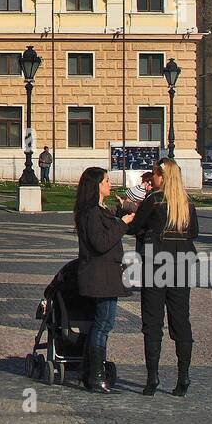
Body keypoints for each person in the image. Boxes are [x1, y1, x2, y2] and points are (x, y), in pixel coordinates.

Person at [125, 158, 198, 397]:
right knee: (181, 321)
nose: (152, 179)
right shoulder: (186, 202)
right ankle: (183, 376)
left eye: (154, 175)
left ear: (161, 177)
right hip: (181, 267)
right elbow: (194, 232)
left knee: (153, 323)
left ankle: (152, 377)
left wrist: (126, 211)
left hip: (155, 265)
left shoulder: (154, 200)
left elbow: (135, 227)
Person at [74, 166, 128, 393]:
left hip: (104, 275)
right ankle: (95, 375)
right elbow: (101, 243)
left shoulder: (97, 210)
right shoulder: (91, 212)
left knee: (103, 324)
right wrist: (122, 224)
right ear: (96, 185)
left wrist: (120, 214)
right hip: (100, 276)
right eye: (106, 181)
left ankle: (90, 372)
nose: (109, 184)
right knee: (103, 324)